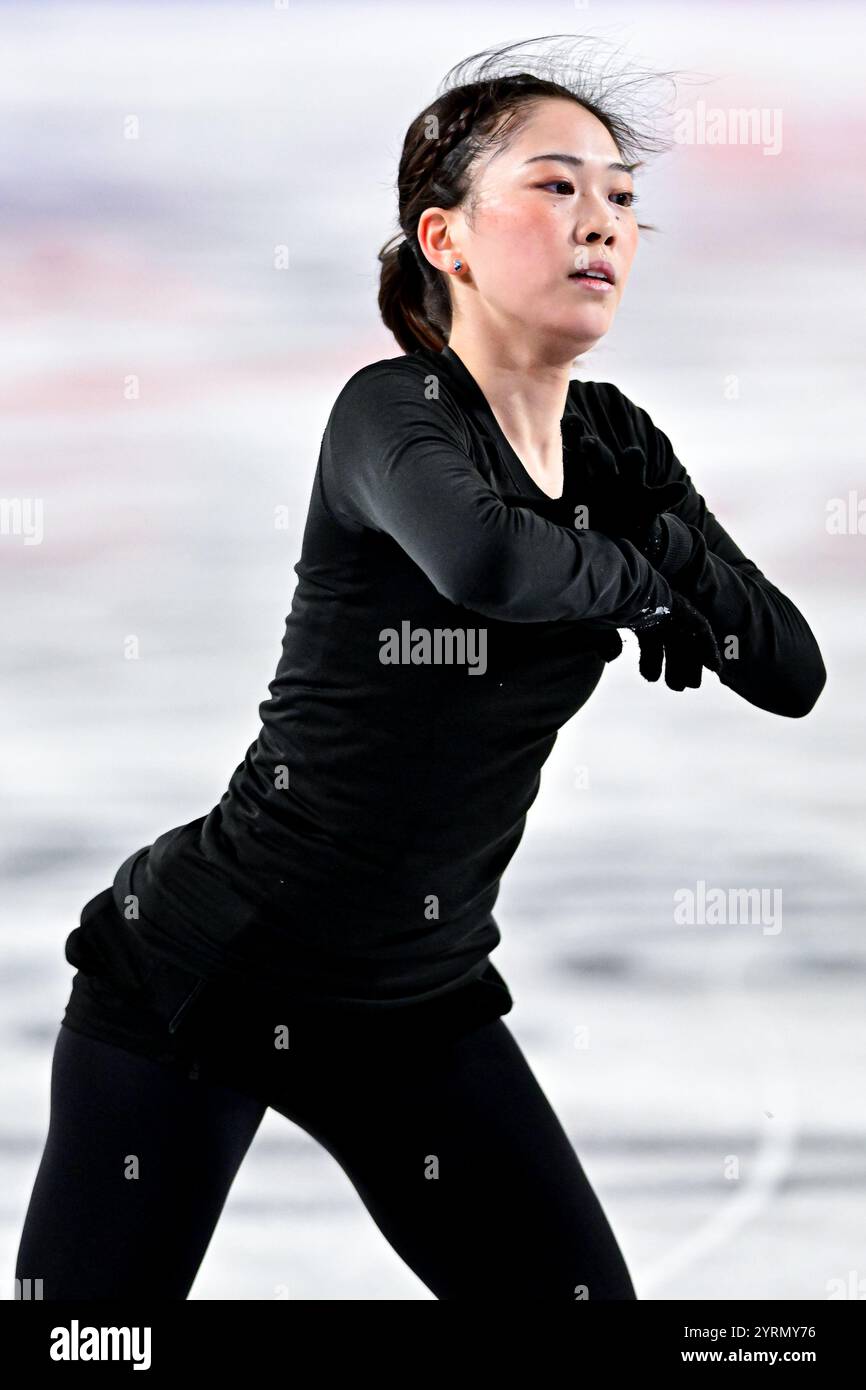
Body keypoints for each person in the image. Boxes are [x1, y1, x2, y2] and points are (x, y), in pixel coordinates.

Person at [14, 38, 826, 1302]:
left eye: (620, 197)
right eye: (556, 188)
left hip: (412, 1001)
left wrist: (659, 552)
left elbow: (786, 667)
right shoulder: (392, 415)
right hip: (207, 974)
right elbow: (488, 567)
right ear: (443, 238)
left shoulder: (613, 444)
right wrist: (646, 577)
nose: (600, 221)